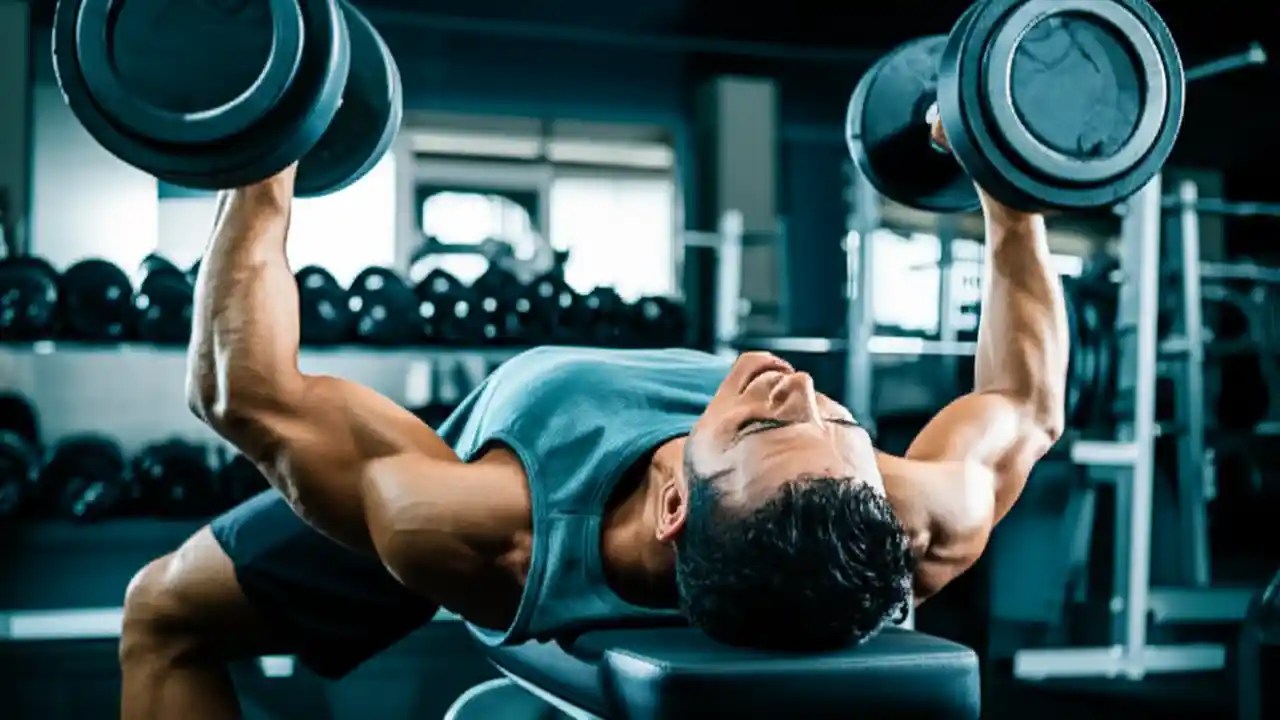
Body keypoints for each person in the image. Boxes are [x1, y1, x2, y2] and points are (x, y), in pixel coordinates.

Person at [119, 120, 1066, 718]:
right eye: (843, 423)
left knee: (163, 616)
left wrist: (264, 149)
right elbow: (1025, 405)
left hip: (496, 460)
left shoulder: (478, 521)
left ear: (672, 507)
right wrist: (1005, 184)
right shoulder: (905, 516)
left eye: (762, 428)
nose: (799, 388)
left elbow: (243, 393)